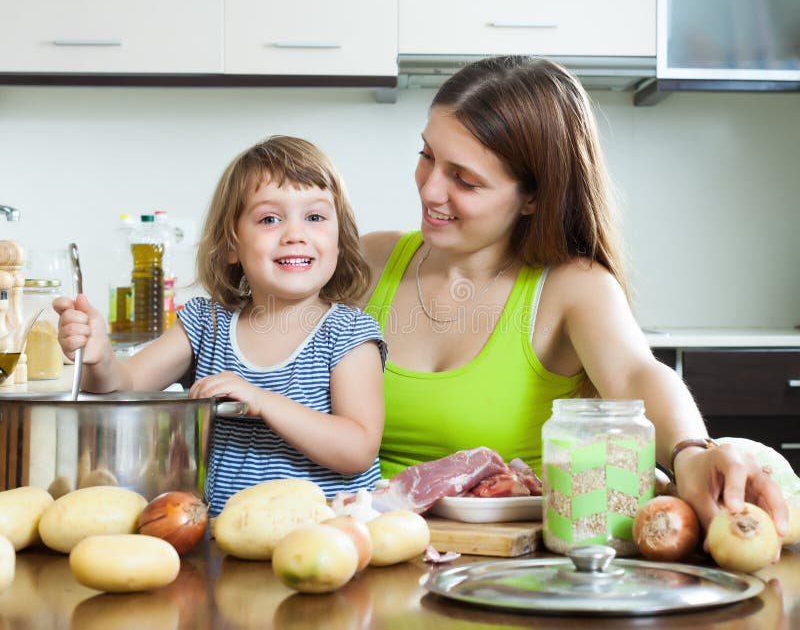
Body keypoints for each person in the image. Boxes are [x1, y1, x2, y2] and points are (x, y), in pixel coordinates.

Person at [360, 55, 788, 538]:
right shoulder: (370, 262)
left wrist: (691, 451)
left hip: (514, 568)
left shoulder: (571, 286)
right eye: (427, 155)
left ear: (534, 197)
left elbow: (637, 374)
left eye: (465, 179)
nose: (431, 188)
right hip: (371, 548)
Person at [56, 136, 387, 515]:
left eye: (315, 217)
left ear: (340, 239)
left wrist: (262, 401)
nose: (295, 234)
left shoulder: (349, 333)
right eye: (269, 219)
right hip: (222, 542)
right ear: (231, 244)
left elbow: (358, 449)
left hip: (326, 541)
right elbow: (123, 385)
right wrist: (97, 357)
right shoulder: (206, 323)